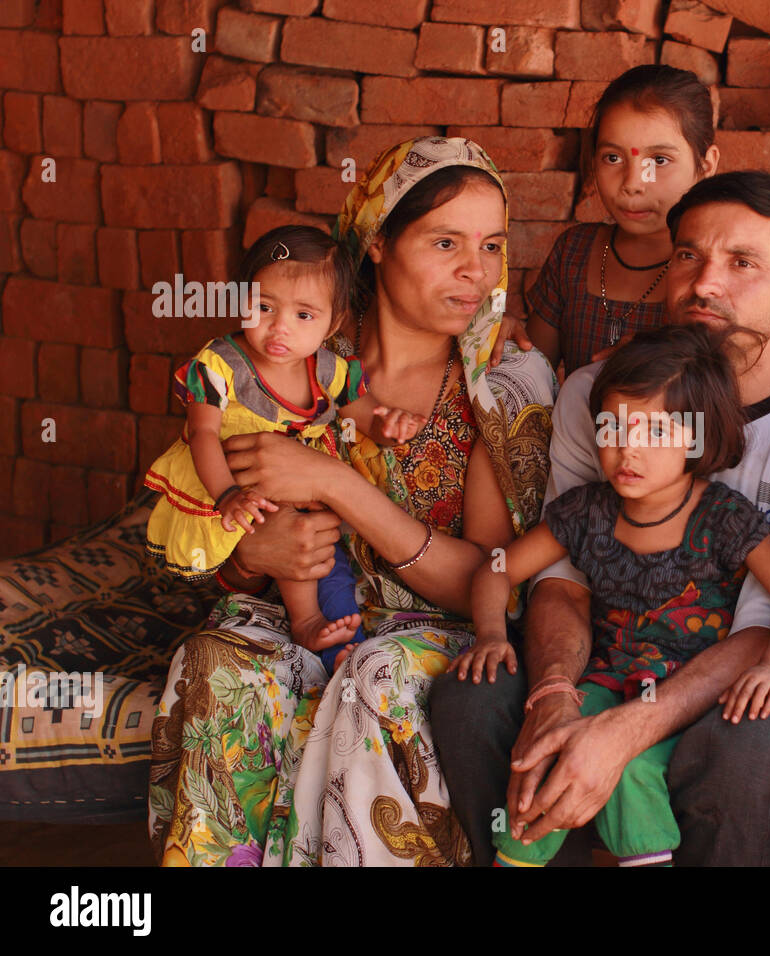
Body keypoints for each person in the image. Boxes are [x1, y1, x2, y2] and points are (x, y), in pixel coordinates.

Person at [428, 170, 770, 866]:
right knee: (471, 699)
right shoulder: (593, 395)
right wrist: (554, 693)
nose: (704, 283)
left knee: (750, 743)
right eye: (688, 255)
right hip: (603, 654)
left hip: (738, 659)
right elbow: (563, 579)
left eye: (742, 263)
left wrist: (630, 729)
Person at [148, 137, 556, 866]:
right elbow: (228, 520)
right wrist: (252, 554)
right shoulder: (290, 358)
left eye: (492, 245)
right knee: (218, 661)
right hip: (303, 611)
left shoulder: (502, 383)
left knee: (378, 681)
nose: (477, 269)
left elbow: (493, 580)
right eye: (444, 241)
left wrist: (337, 484)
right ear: (375, 242)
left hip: (431, 632)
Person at [461, 325, 770, 866]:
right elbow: (496, 569)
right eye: (613, 427)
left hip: (689, 695)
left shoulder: (722, 517)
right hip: (603, 681)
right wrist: (490, 633)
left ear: (699, 438)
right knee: (547, 752)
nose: (628, 449)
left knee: (630, 769)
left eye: (655, 432)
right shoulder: (587, 512)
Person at [143, 225, 425, 672]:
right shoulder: (219, 364)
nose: (279, 327)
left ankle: (332, 639)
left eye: (304, 316)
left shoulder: (329, 368)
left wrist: (389, 426)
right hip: (233, 485)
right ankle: (306, 620)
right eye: (264, 306)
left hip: (296, 485)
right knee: (291, 534)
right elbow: (202, 435)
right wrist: (227, 496)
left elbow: (364, 415)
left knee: (321, 552)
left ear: (332, 323)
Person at [518, 64, 719, 375]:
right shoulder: (574, 252)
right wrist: (503, 344)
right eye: (613, 158)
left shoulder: (716, 273)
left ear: (705, 166)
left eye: (659, 161)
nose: (632, 183)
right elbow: (529, 376)